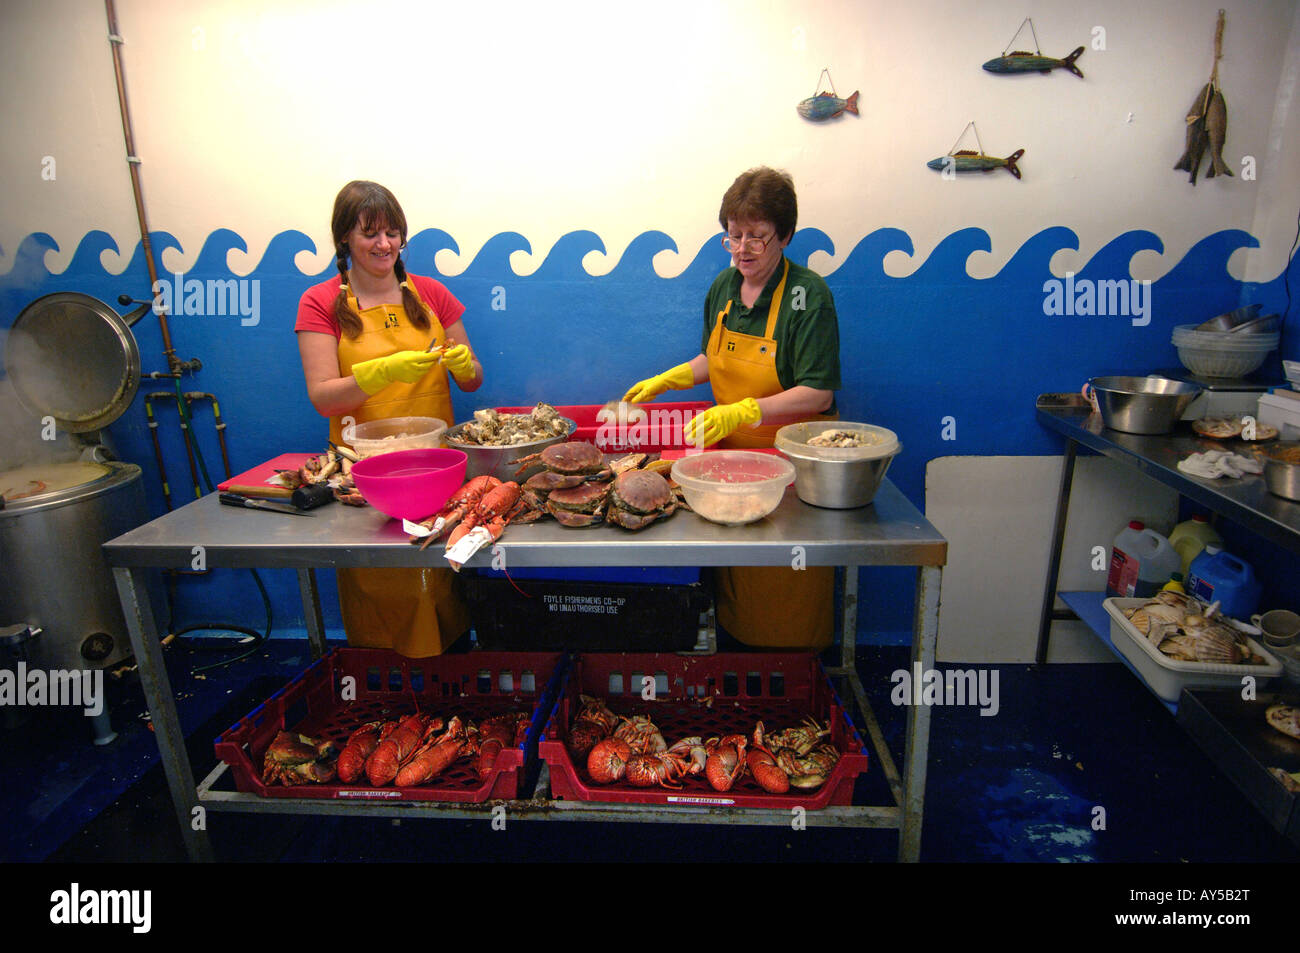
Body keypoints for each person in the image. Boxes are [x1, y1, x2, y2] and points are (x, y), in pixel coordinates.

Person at [622, 167, 840, 649]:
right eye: (733, 235)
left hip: (792, 468)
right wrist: (672, 377)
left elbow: (818, 392)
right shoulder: (724, 287)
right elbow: (713, 358)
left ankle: (795, 680)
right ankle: (740, 673)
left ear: (784, 236)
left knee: (786, 585)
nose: (743, 248)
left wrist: (742, 411)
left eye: (757, 237)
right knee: (738, 578)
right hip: (731, 465)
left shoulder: (809, 297)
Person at [295, 180, 482, 657]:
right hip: (366, 480)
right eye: (370, 234)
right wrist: (377, 374)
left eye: (393, 232)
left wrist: (465, 365)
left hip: (437, 472)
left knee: (441, 583)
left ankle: (452, 688)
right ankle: (385, 689)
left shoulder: (432, 294)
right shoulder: (319, 303)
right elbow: (323, 398)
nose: (384, 244)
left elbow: (473, 380)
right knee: (381, 582)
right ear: (344, 240)